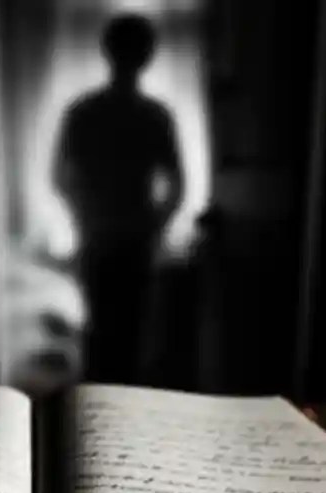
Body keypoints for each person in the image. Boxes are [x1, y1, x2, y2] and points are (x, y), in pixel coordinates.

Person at [53, 13, 184, 383]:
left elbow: (59, 178)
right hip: (126, 238)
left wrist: (84, 216)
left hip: (106, 236)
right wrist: (152, 225)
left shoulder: (84, 111)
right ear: (148, 56)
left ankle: (93, 421)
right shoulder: (154, 116)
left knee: (105, 334)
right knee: (128, 337)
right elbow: (177, 186)